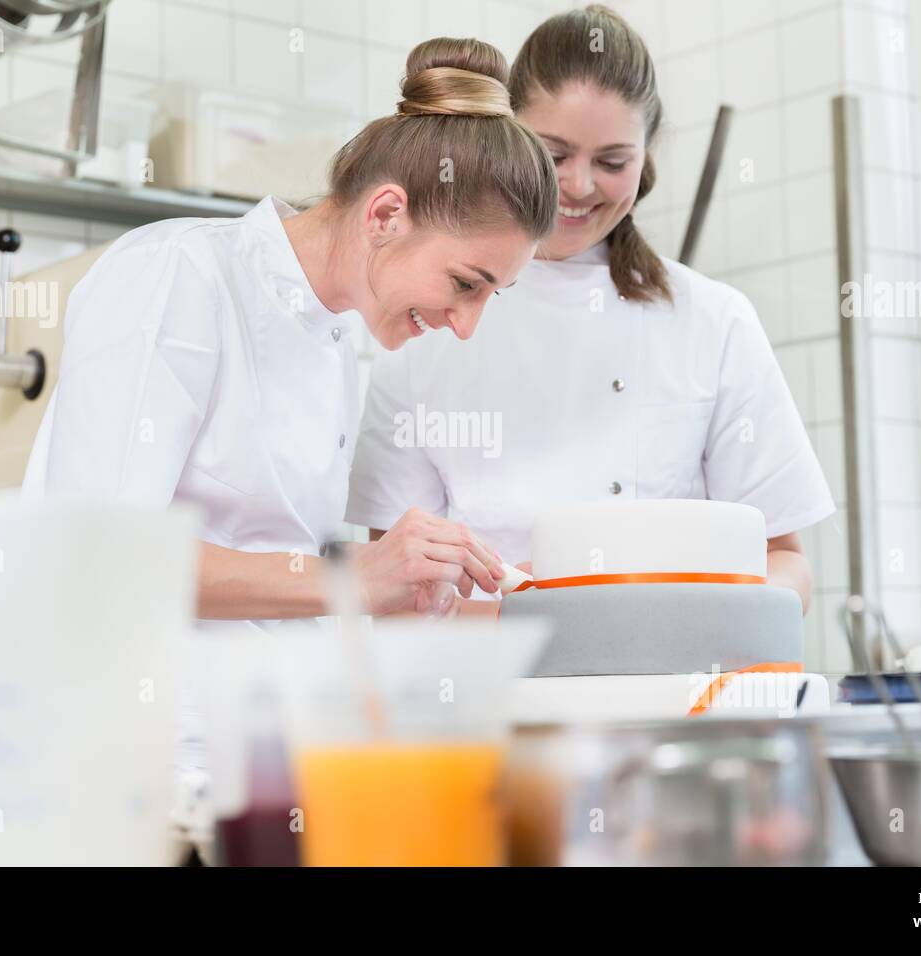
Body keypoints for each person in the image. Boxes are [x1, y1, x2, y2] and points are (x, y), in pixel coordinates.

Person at [23, 37, 558, 620]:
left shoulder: (333, 334)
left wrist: (430, 582)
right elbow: (98, 549)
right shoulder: (177, 274)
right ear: (384, 214)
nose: (465, 326)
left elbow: (276, 557)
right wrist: (351, 577)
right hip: (142, 704)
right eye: (464, 284)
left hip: (272, 702)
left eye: (489, 296)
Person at [347, 6, 834, 614]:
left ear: (646, 155)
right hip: (489, 690)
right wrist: (539, 613)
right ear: (510, 138)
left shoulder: (714, 320)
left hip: (675, 691)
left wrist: (695, 610)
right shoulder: (424, 319)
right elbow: (393, 593)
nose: (578, 186)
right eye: (553, 155)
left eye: (612, 161)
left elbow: (785, 560)